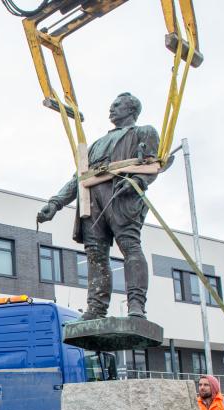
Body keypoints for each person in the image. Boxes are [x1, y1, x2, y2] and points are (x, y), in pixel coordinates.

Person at [36, 92, 161, 320]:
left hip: (121, 195)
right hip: (91, 201)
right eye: (112, 105)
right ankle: (96, 308)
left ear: (131, 110)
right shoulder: (96, 145)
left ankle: (136, 304)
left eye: (117, 105)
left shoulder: (143, 132)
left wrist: (137, 181)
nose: (111, 109)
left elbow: (153, 165)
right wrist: (55, 203)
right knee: (95, 254)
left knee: (130, 246)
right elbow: (78, 178)